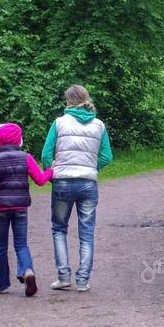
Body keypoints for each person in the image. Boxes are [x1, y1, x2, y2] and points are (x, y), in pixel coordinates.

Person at [41, 84, 112, 292]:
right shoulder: (99, 125)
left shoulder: (59, 123)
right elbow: (107, 156)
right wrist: (91, 167)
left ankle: (63, 277)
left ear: (68, 101)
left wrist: (52, 172)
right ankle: (82, 280)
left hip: (62, 181)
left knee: (59, 228)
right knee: (87, 232)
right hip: (88, 183)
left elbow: (46, 154)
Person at [0, 122, 53, 296]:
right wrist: (51, 171)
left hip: (1, 209)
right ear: (19, 140)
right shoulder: (26, 157)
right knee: (21, 243)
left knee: (1, 246)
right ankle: (28, 270)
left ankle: (0, 285)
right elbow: (41, 180)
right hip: (21, 208)